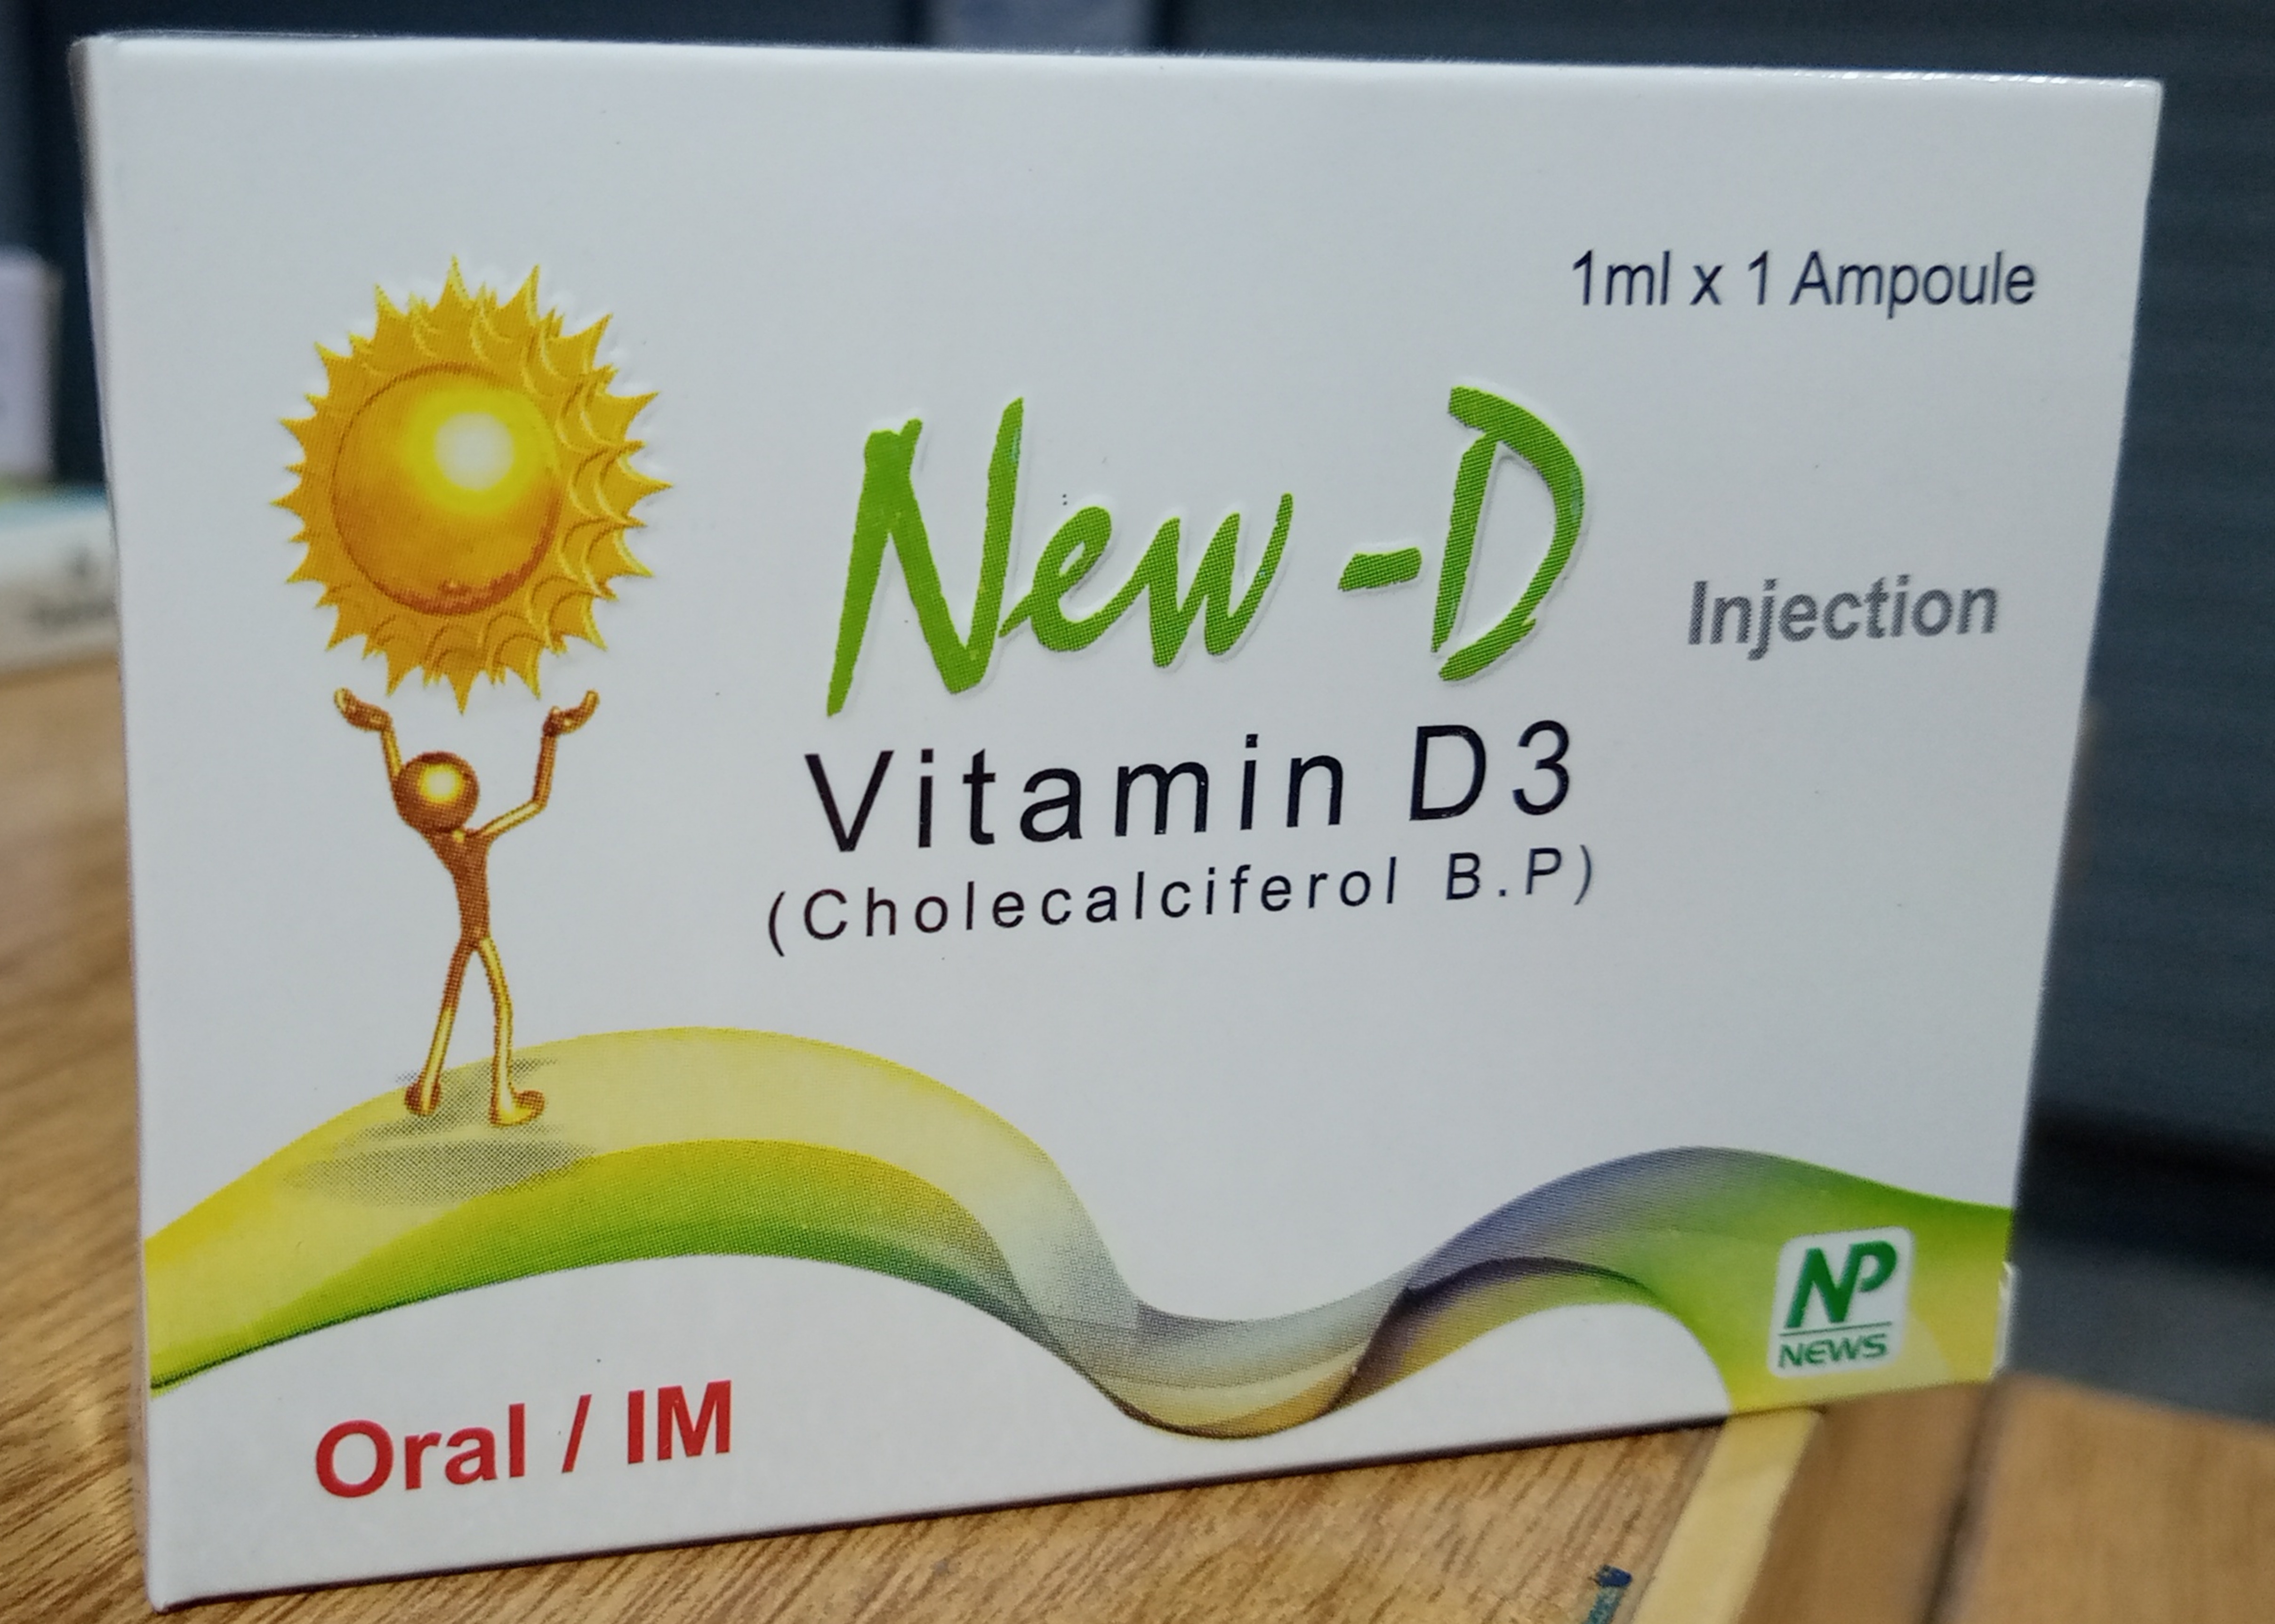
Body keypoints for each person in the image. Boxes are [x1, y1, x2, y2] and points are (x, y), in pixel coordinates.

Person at [335, 687, 598, 1126]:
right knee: (502, 1008)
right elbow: (537, 801)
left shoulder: (432, 836)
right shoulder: (477, 841)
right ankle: (502, 1100)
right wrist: (550, 737)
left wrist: (385, 731)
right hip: (479, 933)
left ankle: (426, 1089)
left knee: (450, 1006)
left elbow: (401, 793)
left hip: (466, 935)